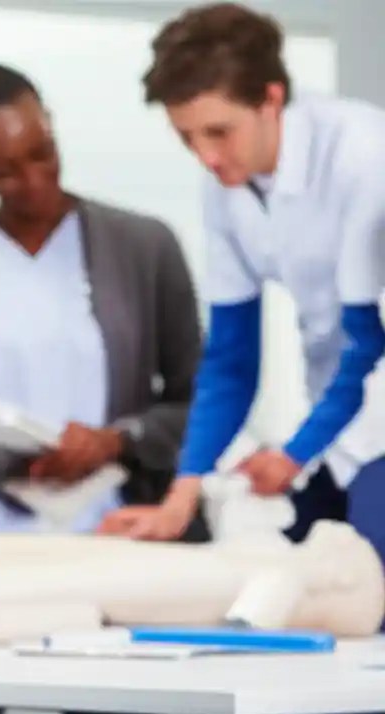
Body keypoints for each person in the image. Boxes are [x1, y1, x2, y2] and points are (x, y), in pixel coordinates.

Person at [99, 3, 385, 570]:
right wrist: (181, 496)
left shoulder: (365, 155)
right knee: (276, 580)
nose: (205, 156)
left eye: (219, 132)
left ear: (271, 99)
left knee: (362, 587)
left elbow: (368, 345)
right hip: (339, 421)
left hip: (372, 406)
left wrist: (295, 453)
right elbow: (230, 359)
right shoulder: (226, 187)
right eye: (187, 137)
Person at [0, 64, 206, 537]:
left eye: (42, 152)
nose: (33, 181)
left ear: (50, 122)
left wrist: (116, 440)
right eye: (5, 172)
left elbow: (199, 397)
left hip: (122, 516)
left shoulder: (147, 247)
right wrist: (25, 463)